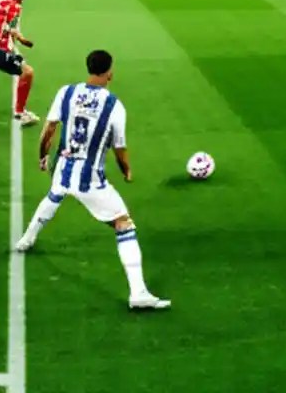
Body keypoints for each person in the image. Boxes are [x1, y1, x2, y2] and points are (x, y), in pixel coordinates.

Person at [15, 50, 170, 310]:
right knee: (124, 224)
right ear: (110, 72)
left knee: (55, 194)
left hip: (63, 167)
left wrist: (43, 156)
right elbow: (119, 148)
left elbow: (49, 129)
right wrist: (126, 170)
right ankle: (138, 292)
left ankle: (27, 239)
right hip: (91, 181)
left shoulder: (66, 92)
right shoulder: (114, 105)